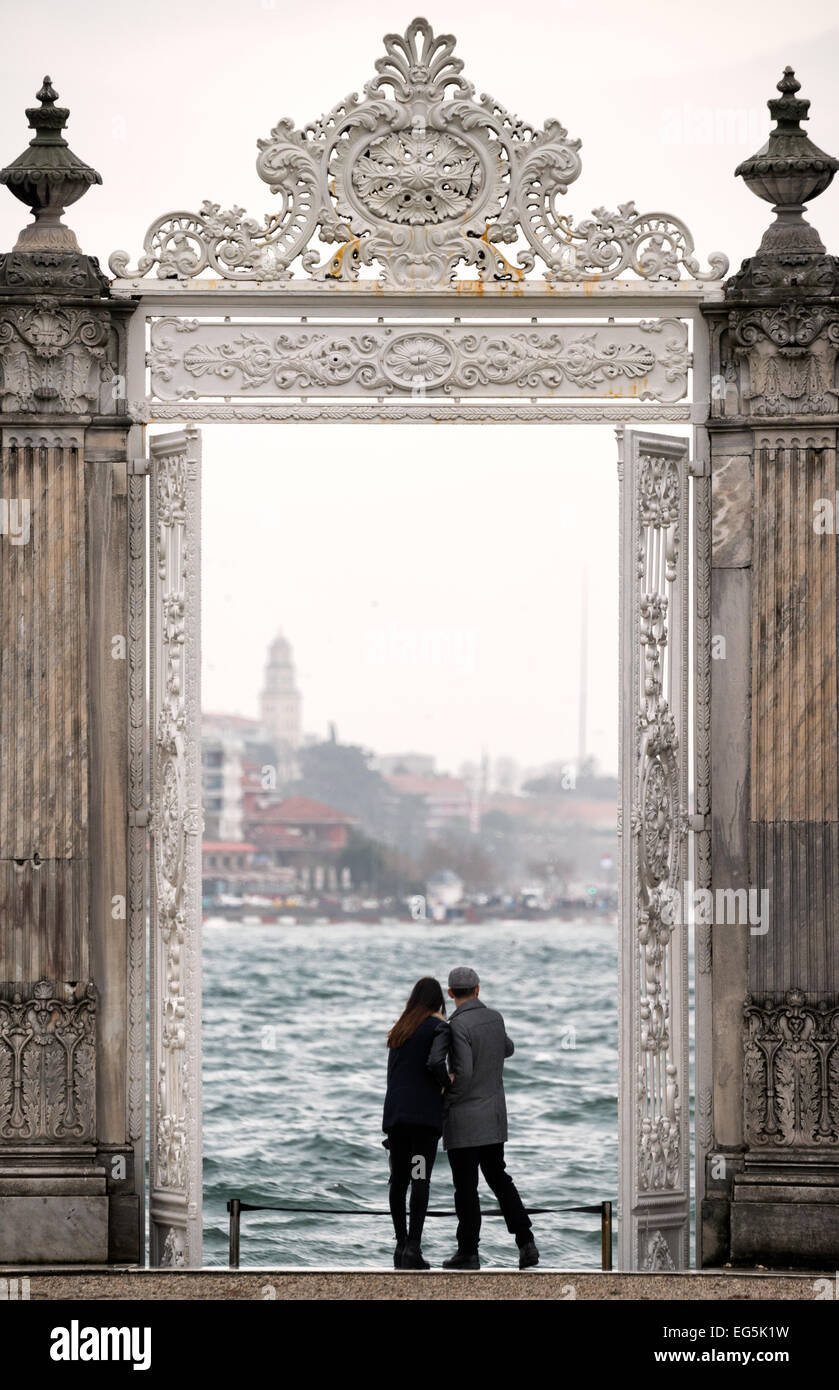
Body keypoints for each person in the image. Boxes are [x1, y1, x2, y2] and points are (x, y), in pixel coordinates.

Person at [427, 966, 538, 1271]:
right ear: (478, 989)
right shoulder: (495, 1017)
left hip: (464, 1119)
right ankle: (526, 1241)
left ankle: (468, 1252)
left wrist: (446, 1099)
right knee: (500, 1180)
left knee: (466, 1188)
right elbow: (508, 1049)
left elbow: (461, 1074)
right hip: (493, 1117)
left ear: (451, 994)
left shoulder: (455, 1025)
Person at [383, 976, 447, 1270]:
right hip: (422, 1122)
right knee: (420, 1178)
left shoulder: (399, 1031)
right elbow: (435, 1064)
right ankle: (413, 1248)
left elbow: (393, 1076)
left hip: (397, 1119)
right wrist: (446, 1083)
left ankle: (399, 1245)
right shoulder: (437, 1028)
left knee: (399, 1180)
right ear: (438, 1002)